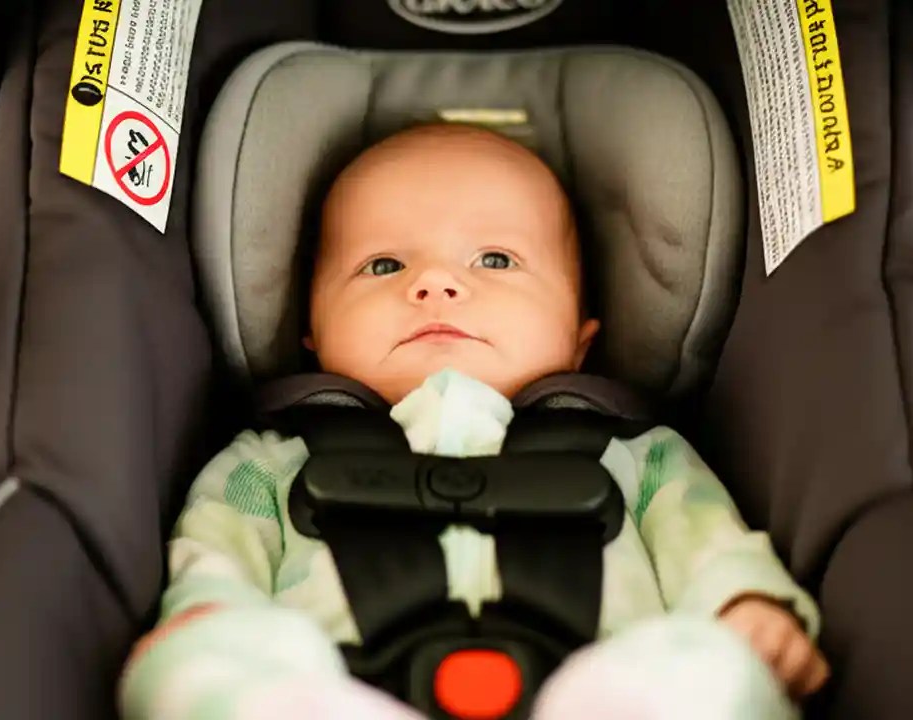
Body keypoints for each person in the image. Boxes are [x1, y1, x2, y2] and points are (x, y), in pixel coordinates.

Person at [118, 123, 829, 719]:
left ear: (580, 338)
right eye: (383, 264)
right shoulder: (270, 459)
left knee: (709, 664)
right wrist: (205, 611)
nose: (435, 282)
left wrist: (743, 603)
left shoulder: (641, 457)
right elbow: (218, 550)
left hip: (604, 685)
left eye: (496, 258)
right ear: (314, 333)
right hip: (336, 691)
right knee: (192, 659)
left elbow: (706, 541)